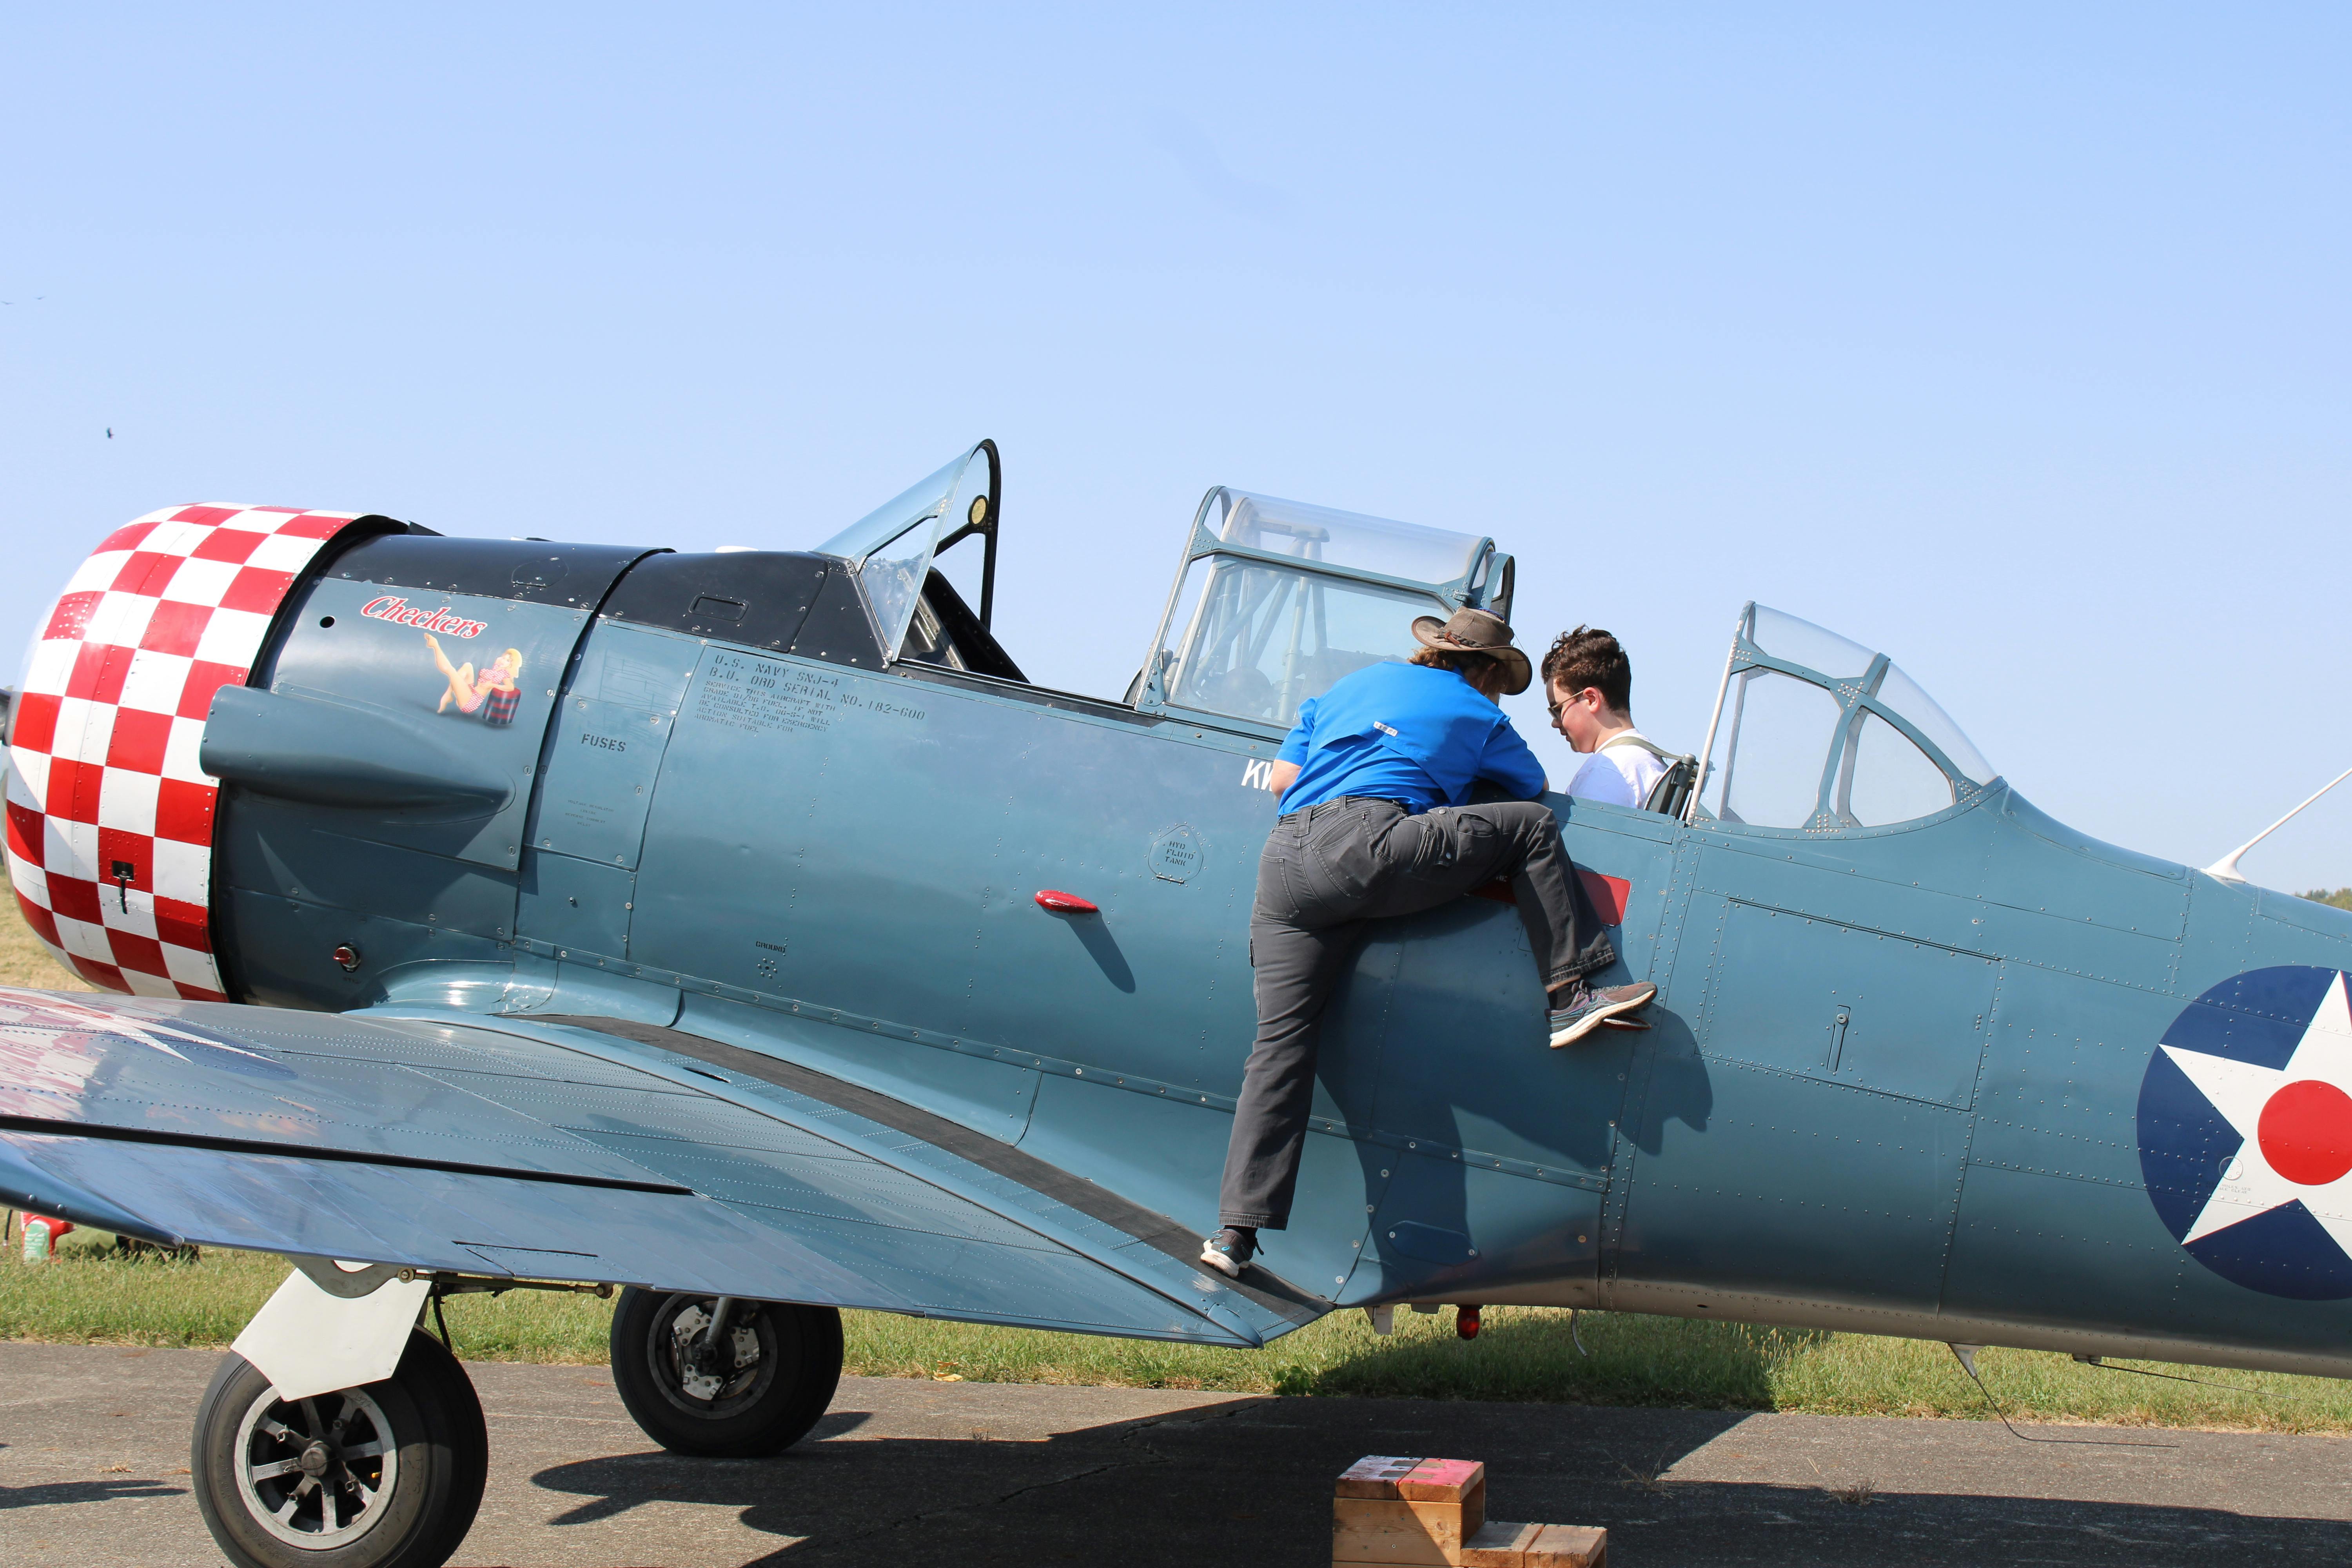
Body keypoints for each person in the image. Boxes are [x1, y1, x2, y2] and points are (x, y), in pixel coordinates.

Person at [1201, 608, 1656, 1279]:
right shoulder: (1476, 712)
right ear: (1486, 672)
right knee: (1529, 829)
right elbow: (1529, 789)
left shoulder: (1349, 686)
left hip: (1286, 869)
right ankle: (1570, 993)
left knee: (1281, 1049)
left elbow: (1281, 781)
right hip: (1369, 845)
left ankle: (1234, 1234)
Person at [1545, 626, 1667, 809]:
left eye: (1558, 709)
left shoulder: (1606, 771)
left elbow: (1584, 838)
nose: (1555, 723)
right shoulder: (1647, 762)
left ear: (1591, 699)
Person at [426, 635, 524, 727]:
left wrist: (493, 686)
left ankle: (435, 646)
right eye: (504, 658)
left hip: (471, 701)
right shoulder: (497, 666)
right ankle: (448, 695)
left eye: (508, 661)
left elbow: (510, 688)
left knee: (451, 671)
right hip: (472, 691)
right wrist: (501, 660)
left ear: (511, 665)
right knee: (468, 666)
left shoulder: (504, 674)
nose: (503, 661)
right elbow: (498, 660)